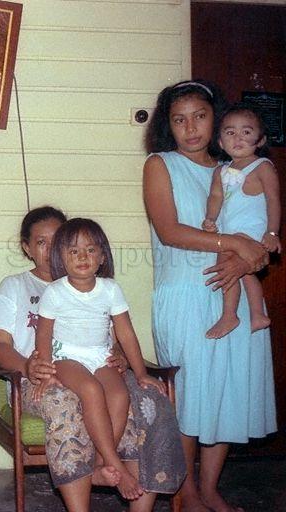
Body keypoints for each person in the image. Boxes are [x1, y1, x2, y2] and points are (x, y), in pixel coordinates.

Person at [0, 205, 185, 512]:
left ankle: (129, 491)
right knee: (68, 401)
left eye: (57, 239)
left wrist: (122, 358)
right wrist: (30, 367)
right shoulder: (14, 287)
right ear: (27, 248)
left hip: (97, 365)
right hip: (42, 376)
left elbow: (118, 335)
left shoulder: (101, 287)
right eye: (40, 242)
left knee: (147, 400)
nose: (50, 250)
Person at [143, 79, 276, 512]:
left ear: (215, 118)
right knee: (192, 393)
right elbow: (170, 231)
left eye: (200, 116)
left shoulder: (240, 166)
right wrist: (234, 244)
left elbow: (258, 240)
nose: (191, 128)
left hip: (234, 293)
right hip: (184, 294)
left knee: (228, 392)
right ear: (168, 127)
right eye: (179, 120)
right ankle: (185, 492)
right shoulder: (160, 164)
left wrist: (245, 258)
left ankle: (209, 487)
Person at [33, 218, 166, 501]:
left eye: (90, 250)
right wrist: (47, 373)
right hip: (66, 356)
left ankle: (101, 460)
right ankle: (114, 462)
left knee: (119, 395)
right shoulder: (55, 292)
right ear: (61, 258)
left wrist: (141, 372)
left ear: (102, 256)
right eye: (73, 251)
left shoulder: (110, 289)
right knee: (91, 391)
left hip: (100, 354)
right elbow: (43, 336)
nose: (82, 257)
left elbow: (126, 333)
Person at [202, 104, 281, 338]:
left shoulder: (262, 167)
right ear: (220, 142)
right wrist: (210, 218)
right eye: (230, 132)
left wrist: (272, 232)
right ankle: (257, 314)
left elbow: (274, 201)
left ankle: (230, 315)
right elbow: (215, 197)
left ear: (260, 140)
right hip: (229, 229)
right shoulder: (220, 171)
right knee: (246, 273)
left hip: (250, 229)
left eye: (246, 132)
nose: (238, 138)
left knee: (227, 265)